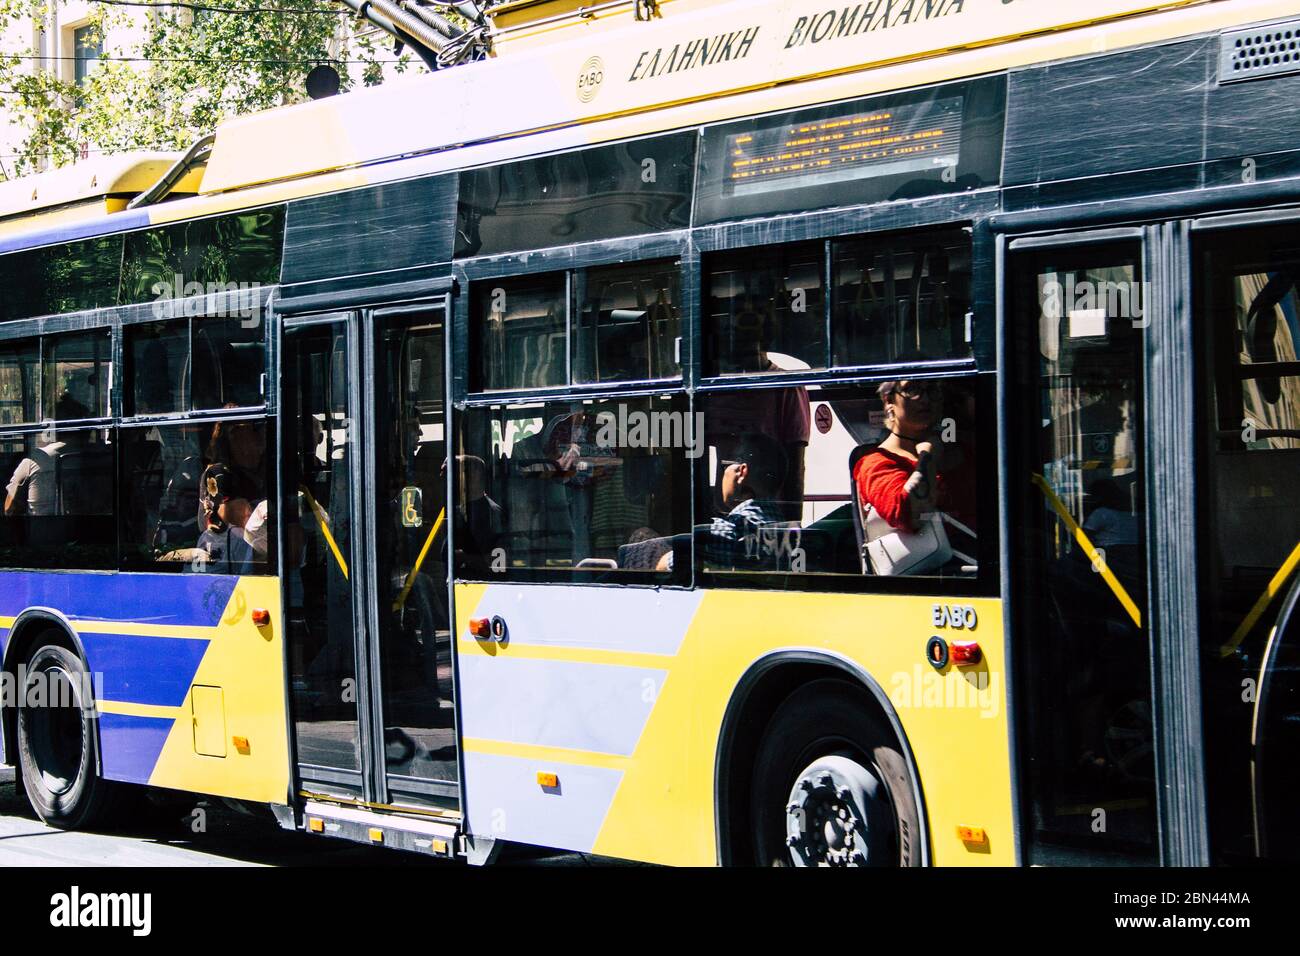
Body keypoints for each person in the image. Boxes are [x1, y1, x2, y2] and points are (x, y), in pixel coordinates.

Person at [853, 379, 977, 536]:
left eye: (932, 390)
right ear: (889, 400)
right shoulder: (876, 462)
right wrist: (928, 458)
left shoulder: (962, 449)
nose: (925, 399)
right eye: (912, 390)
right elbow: (909, 516)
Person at [659, 432, 787, 572]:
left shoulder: (728, 532)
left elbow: (668, 566)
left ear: (742, 472)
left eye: (726, 465)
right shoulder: (786, 531)